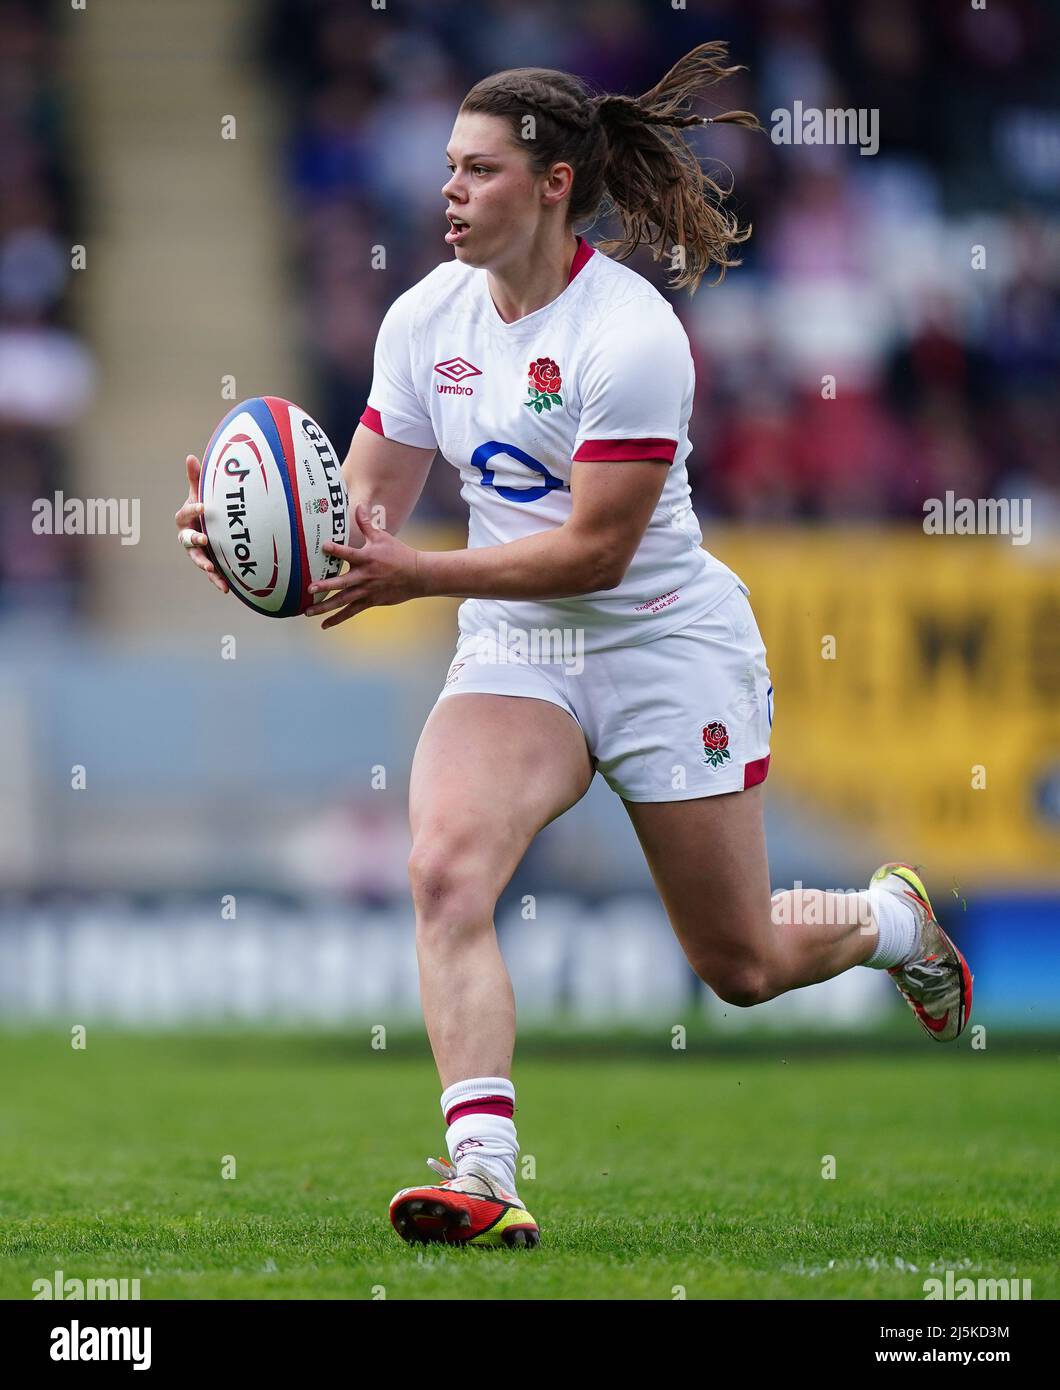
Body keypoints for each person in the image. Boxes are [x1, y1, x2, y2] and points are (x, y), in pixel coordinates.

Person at [175, 44, 973, 1250]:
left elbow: (598, 552)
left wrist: (416, 575)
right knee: (445, 868)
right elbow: (363, 531)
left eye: (478, 169)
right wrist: (257, 550)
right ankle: (484, 1172)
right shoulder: (422, 320)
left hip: (662, 643)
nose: (447, 189)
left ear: (552, 185)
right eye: (445, 166)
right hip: (517, 650)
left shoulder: (631, 332)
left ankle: (895, 923)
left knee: (741, 962)